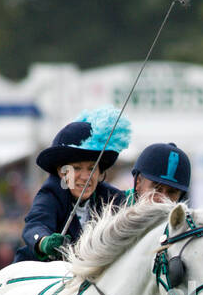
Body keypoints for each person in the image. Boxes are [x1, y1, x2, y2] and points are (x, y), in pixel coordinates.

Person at [15, 107, 130, 263]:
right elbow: (35, 224)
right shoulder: (52, 192)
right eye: (76, 168)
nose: (86, 177)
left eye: (92, 168)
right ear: (61, 171)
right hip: (43, 275)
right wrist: (44, 242)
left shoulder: (112, 197)